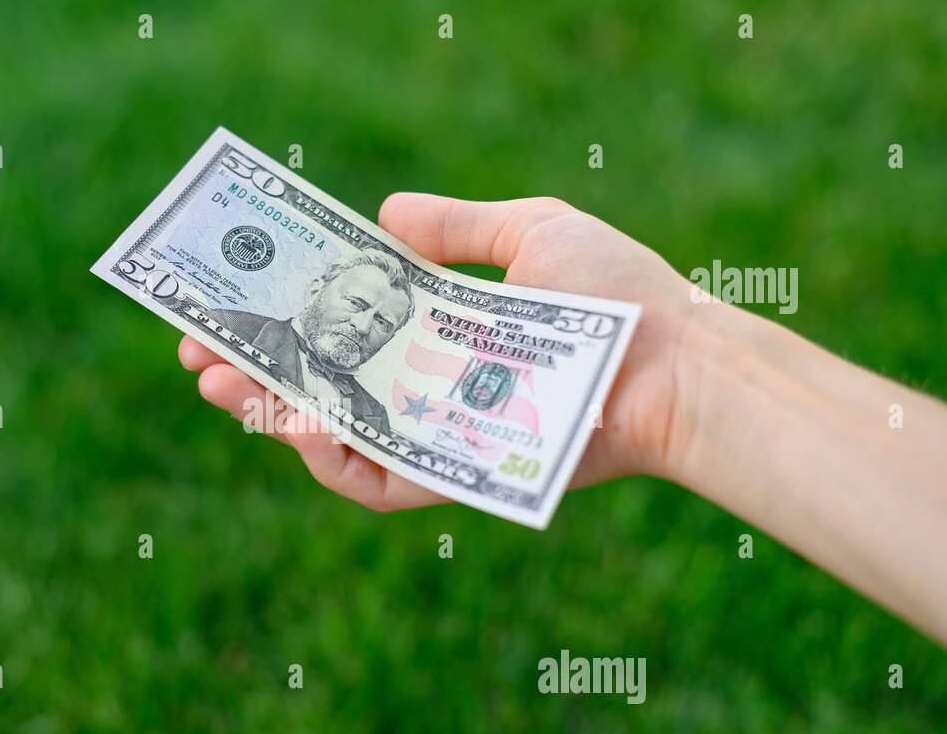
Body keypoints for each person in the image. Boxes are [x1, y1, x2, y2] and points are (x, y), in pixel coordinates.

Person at [178, 193, 947, 646]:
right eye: (358, 303)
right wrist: (686, 374)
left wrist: (681, 370)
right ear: (315, 288)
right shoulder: (239, 328)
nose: (371, 327)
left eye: (386, 319)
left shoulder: (371, 409)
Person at [205, 248, 414, 435]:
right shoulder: (228, 326)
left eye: (383, 322)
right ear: (315, 293)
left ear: (390, 338)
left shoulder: (376, 415)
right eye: (355, 303)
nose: (362, 327)